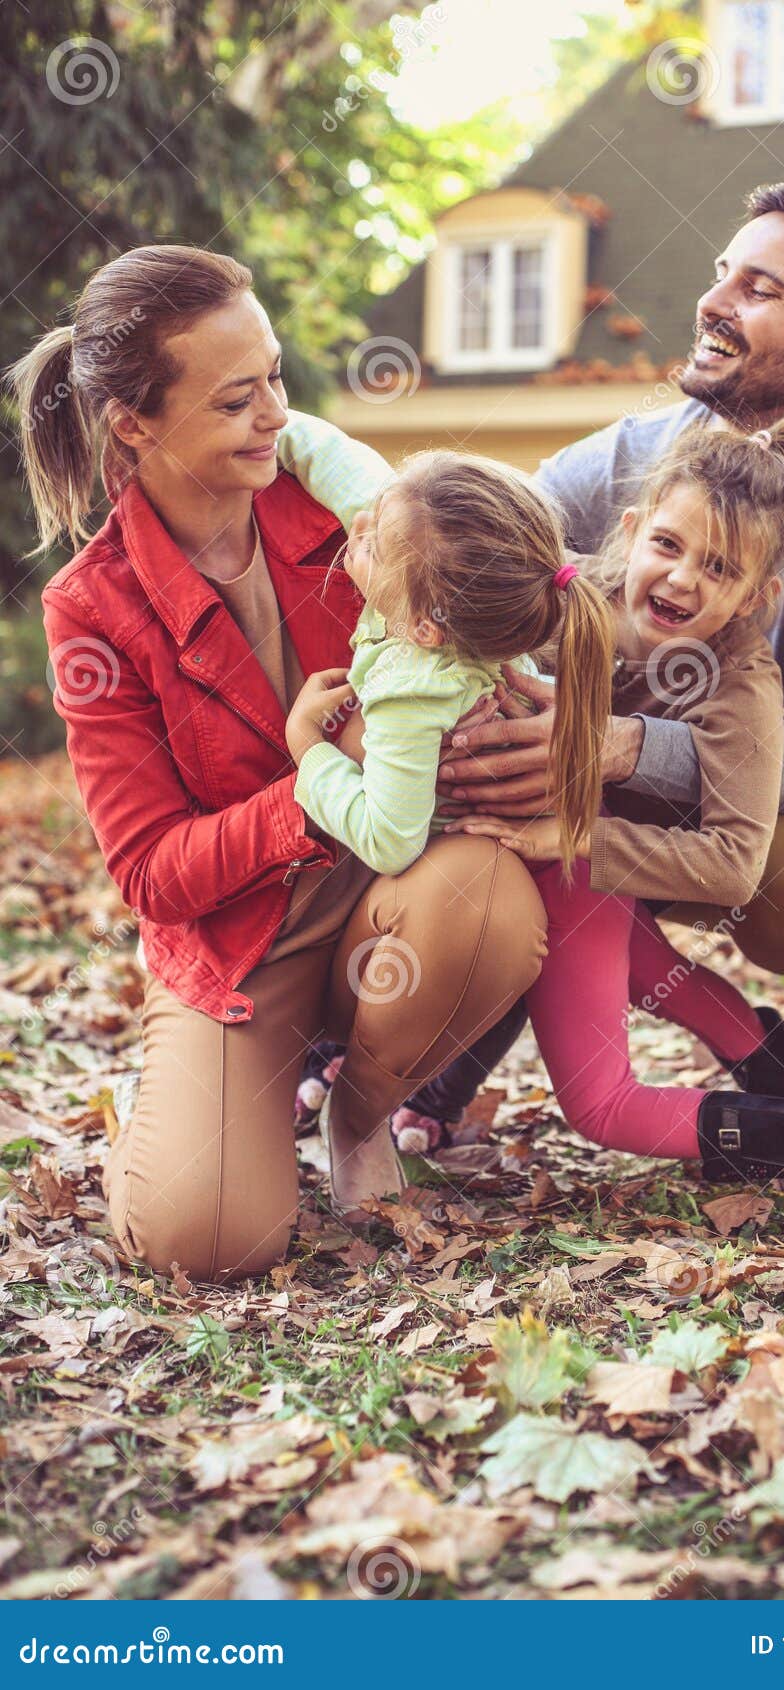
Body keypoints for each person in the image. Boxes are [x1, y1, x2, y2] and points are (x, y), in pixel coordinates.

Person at [8, 244, 547, 1284]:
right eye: (235, 398)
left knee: (488, 906)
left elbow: (471, 621)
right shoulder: (93, 604)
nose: (274, 415)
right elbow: (150, 874)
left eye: (276, 381)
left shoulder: (355, 514)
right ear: (135, 423)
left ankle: (356, 1116)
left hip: (390, 892)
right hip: (243, 946)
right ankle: (205, 1097)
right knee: (205, 1241)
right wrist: (311, 786)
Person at [279, 411, 784, 1232]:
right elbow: (380, 496)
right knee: (634, 961)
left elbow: (730, 867)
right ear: (631, 529)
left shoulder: (738, 690)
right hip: (553, 872)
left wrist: (569, 835)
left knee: (601, 1102)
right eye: (667, 545)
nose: (682, 578)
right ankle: (762, 1054)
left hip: (581, 870)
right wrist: (272, 419)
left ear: (757, 596)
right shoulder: (553, 594)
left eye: (717, 568)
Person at [411, 180, 784, 1132]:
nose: (715, 302)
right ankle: (434, 1062)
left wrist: (601, 747)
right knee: (495, 786)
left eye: (759, 288)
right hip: (670, 781)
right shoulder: (641, 452)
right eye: (721, 276)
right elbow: (496, 549)